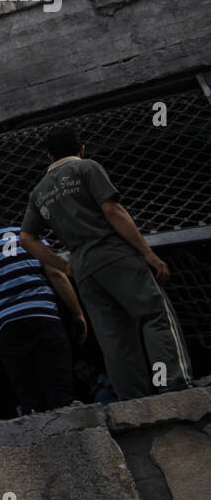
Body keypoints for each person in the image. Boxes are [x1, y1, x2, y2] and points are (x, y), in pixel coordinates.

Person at [19, 126, 192, 400]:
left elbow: (27, 238)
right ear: (82, 148)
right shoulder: (87, 168)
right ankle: (172, 384)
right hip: (113, 254)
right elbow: (112, 210)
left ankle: (134, 400)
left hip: (84, 268)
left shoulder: (39, 192)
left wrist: (63, 265)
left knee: (115, 338)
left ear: (49, 156)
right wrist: (147, 253)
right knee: (153, 314)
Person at [0, 196, 85, 414]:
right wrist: (78, 314)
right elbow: (56, 273)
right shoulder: (29, 238)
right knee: (59, 388)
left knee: (28, 392)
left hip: (6, 328)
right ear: (0, 214)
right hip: (45, 319)